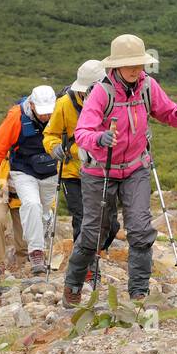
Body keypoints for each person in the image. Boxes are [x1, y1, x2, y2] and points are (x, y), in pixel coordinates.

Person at [62, 35, 177, 304]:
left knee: (140, 229)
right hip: (100, 170)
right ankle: (73, 284)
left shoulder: (148, 86)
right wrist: (100, 138)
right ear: (116, 66)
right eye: (130, 64)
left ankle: (138, 292)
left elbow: (167, 113)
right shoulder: (101, 92)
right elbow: (82, 132)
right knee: (92, 233)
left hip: (136, 168)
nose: (137, 69)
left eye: (140, 63)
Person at [0, 85, 59, 275]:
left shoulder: (55, 117)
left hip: (27, 184)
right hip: (2, 184)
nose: (45, 117)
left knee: (25, 224)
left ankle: (25, 263)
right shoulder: (15, 119)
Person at [45, 60, 119, 249]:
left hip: (102, 170)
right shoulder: (64, 104)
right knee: (83, 217)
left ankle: (96, 252)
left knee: (111, 223)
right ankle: (85, 265)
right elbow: (50, 134)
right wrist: (54, 147)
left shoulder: (112, 100)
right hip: (72, 173)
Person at [0, 156, 27, 278]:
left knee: (22, 228)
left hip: (21, 194)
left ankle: (23, 263)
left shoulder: (27, 144)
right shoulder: (0, 144)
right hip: (1, 192)